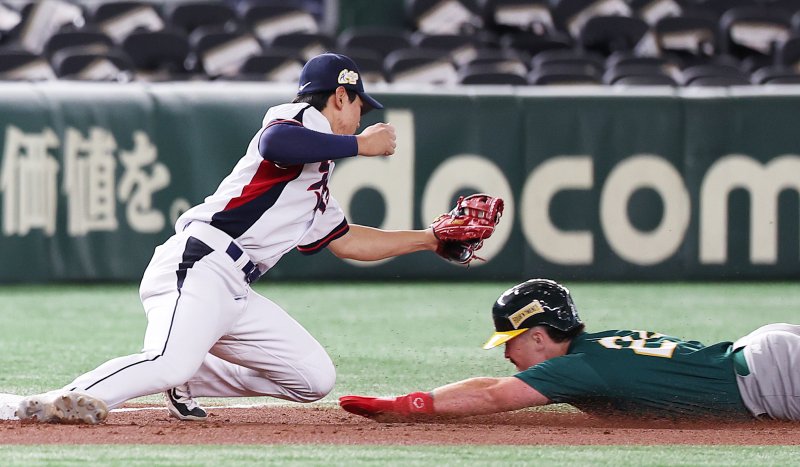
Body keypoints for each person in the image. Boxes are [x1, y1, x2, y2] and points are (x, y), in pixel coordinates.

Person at [16, 53, 443, 424]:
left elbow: (348, 242)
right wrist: (360, 144)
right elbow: (277, 139)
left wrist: (429, 239)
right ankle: (54, 402)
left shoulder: (316, 177)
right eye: (358, 107)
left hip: (234, 287)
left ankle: (191, 375)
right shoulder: (301, 118)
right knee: (166, 360)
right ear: (338, 97)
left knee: (314, 379)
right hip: (201, 263)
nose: (359, 117)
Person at [339, 279, 800, 422]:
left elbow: (494, 394)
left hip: (770, 381)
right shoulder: (599, 344)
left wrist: (406, 404)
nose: (506, 355)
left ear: (539, 336)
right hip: (764, 354)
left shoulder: (576, 367)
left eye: (510, 341)